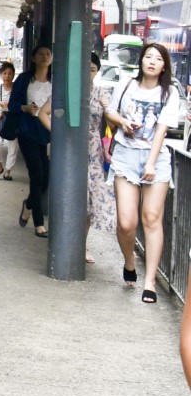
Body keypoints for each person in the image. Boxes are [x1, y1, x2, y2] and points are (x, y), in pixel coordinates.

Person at [105, 41, 183, 303]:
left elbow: (161, 130)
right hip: (126, 154)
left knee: (151, 217)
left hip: (155, 158)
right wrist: (123, 122)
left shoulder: (169, 92)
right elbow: (110, 112)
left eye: (157, 59)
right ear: (141, 61)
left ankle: (149, 282)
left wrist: (150, 163)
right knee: (127, 222)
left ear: (164, 66)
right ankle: (129, 261)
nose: (151, 61)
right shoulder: (126, 84)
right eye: (148, 57)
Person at [8, 44, 53, 236]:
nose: (44, 56)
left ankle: (28, 205)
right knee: (37, 174)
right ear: (33, 58)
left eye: (48, 54)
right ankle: (38, 224)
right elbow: (12, 104)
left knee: (46, 178)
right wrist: (25, 108)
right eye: (40, 54)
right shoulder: (25, 79)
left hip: (47, 132)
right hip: (27, 130)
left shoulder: (55, 81)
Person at [86, 50, 116, 266]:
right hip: (71, 149)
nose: (88, 73)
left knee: (90, 197)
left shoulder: (102, 93)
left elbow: (110, 114)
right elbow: (45, 113)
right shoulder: (66, 91)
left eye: (93, 69)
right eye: (85, 69)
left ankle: (82, 243)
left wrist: (119, 121)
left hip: (94, 149)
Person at [0, 59, 18, 179]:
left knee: (13, 146)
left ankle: (8, 171)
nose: (7, 76)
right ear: (1, 75)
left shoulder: (17, 89)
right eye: (4, 73)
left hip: (13, 120)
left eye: (10, 73)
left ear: (13, 75)